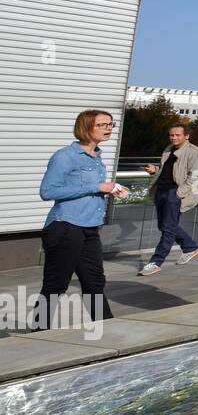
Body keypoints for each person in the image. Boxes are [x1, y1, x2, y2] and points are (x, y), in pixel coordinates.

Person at [33, 110, 127, 330]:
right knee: (55, 285)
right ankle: (37, 334)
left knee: (95, 283)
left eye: (110, 124)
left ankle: (108, 333)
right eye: (102, 124)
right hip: (65, 227)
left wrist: (110, 190)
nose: (108, 128)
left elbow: (86, 191)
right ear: (86, 127)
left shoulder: (97, 157)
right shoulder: (65, 156)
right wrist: (97, 186)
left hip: (90, 229)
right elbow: (48, 191)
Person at [139, 123, 198, 276]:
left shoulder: (193, 151)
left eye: (177, 135)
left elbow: (194, 176)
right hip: (161, 191)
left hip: (174, 193)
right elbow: (167, 170)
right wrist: (155, 170)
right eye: (171, 135)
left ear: (186, 136)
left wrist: (178, 193)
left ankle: (155, 262)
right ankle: (190, 247)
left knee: (168, 228)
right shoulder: (169, 149)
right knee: (164, 226)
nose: (173, 137)